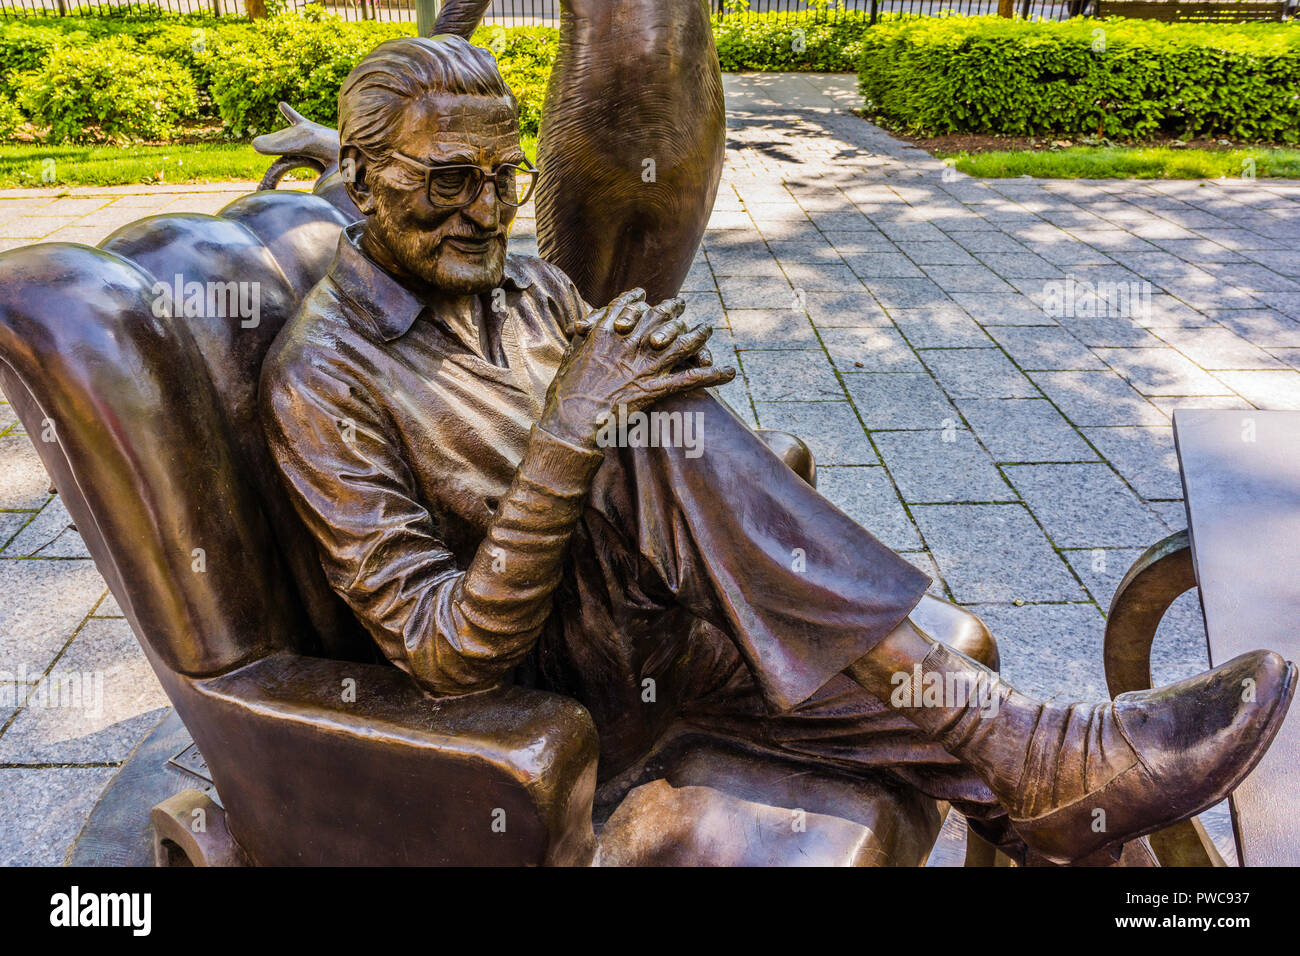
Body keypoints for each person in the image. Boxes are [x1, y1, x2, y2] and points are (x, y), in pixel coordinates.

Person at [261, 35, 1295, 865]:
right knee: (634, 428)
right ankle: (1036, 748)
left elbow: (618, 419)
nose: (486, 211)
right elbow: (443, 651)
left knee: (664, 416)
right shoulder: (321, 378)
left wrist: (640, 403)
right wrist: (577, 424)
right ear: (359, 179)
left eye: (504, 175)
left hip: (668, 632)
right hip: (560, 694)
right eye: (448, 181)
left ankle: (1048, 783)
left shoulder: (523, 283)